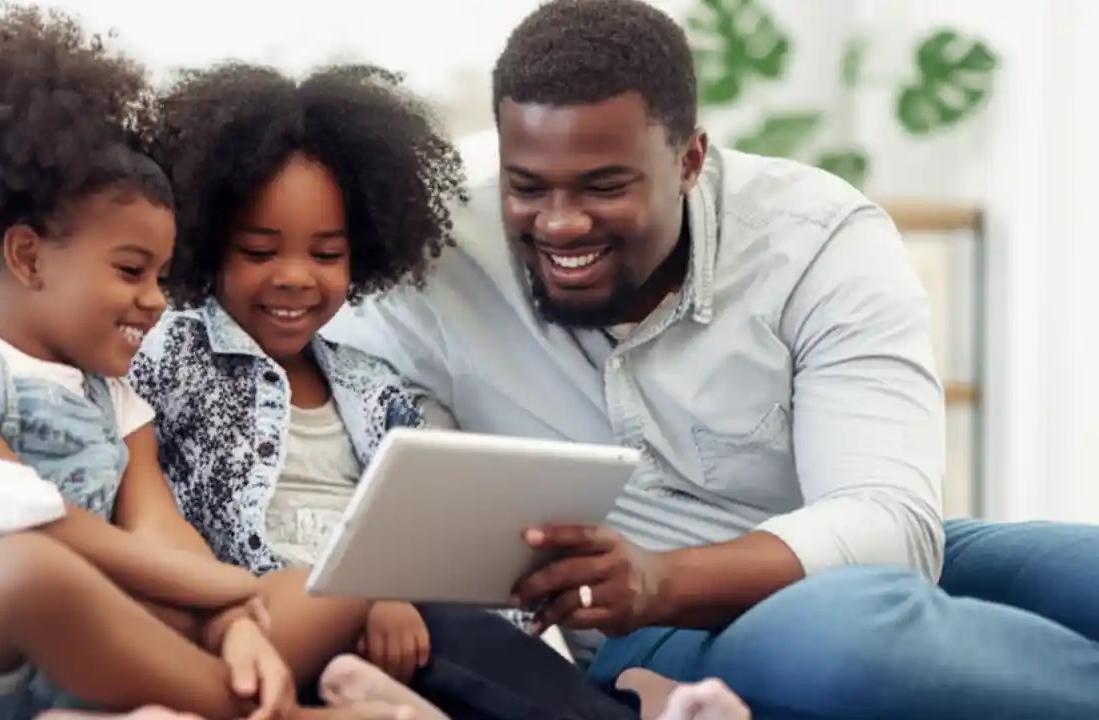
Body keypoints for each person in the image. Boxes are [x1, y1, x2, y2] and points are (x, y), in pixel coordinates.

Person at [326, 0, 1099, 717]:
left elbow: (892, 525)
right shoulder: (432, 253)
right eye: (528, 187)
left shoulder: (815, 237)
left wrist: (663, 577)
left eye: (605, 186)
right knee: (852, 642)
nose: (559, 224)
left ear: (691, 159)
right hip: (675, 631)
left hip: (838, 553)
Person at [0, 8, 430, 720]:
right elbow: (41, 530)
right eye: (132, 270)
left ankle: (187, 702)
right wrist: (227, 594)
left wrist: (233, 619)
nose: (153, 300)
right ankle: (285, 715)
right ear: (27, 257)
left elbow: (160, 533)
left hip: (62, 660)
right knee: (29, 572)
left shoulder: (116, 401)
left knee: (325, 583)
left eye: (163, 276)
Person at [129, 61, 749, 720]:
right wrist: (367, 597)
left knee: (469, 633)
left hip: (399, 626)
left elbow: (429, 533)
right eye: (259, 252)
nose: (294, 278)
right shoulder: (171, 357)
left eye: (327, 254)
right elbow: (150, 516)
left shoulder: (375, 388)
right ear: (203, 244)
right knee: (456, 642)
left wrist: (401, 593)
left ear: (363, 251)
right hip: (261, 620)